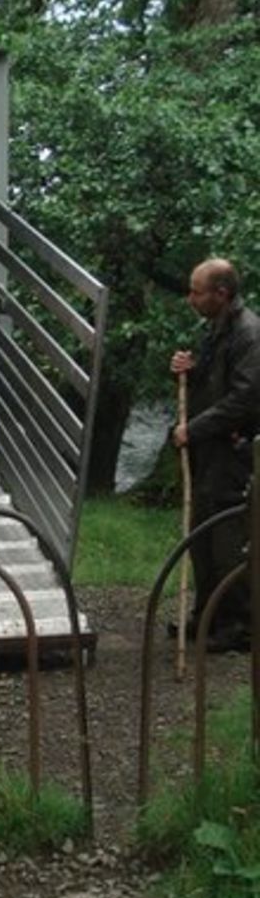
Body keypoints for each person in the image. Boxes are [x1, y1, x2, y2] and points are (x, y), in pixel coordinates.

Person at [170, 257, 260, 652]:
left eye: (197, 291)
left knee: (226, 537)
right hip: (208, 452)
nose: (190, 298)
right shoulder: (216, 331)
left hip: (232, 451)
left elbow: (245, 398)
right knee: (201, 535)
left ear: (221, 294)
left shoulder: (248, 334)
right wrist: (182, 369)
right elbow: (208, 383)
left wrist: (196, 428)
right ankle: (208, 615)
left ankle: (238, 627)